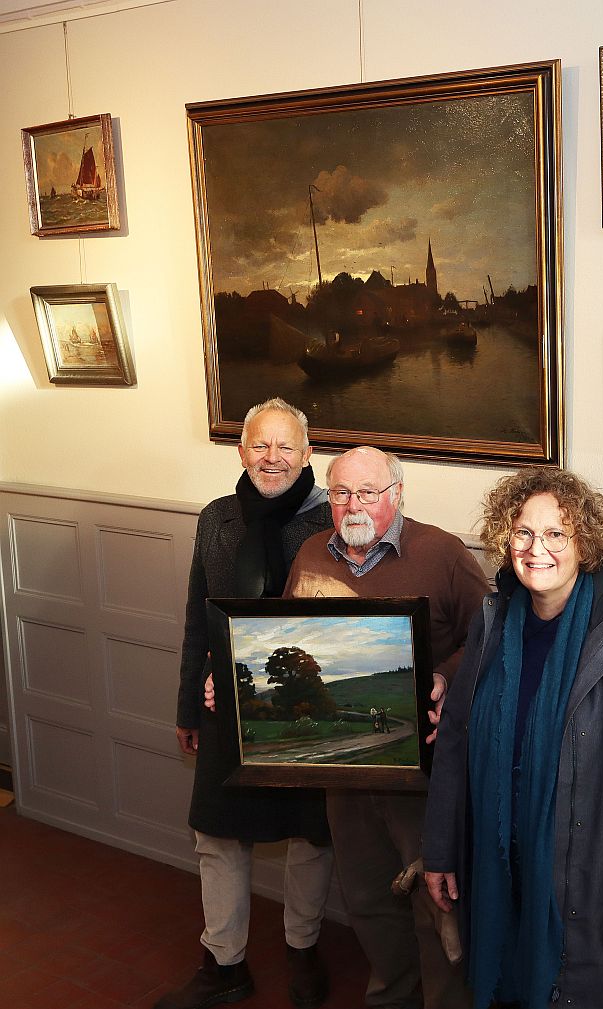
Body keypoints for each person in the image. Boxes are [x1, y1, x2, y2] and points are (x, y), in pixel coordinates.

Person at [422, 467, 603, 1009]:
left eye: (555, 535)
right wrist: (440, 850)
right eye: (522, 533)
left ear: (584, 543)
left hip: (586, 876)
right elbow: (456, 740)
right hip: (499, 863)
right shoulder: (493, 620)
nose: (536, 549)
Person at [283, 446, 490, 1009]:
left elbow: (492, 635)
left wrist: (446, 675)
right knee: (369, 897)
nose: (354, 504)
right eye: (342, 493)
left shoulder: (442, 553)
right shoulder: (309, 554)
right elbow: (285, 636)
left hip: (425, 773)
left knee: (436, 902)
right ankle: (391, 996)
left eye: (368, 493)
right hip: (344, 772)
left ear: (396, 494)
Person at [161, 398, 333, 1009]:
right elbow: (196, 620)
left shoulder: (333, 520)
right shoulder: (215, 519)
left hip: (304, 704)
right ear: (241, 452)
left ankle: (303, 953)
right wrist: (189, 705)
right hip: (222, 707)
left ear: (308, 454)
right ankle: (224, 965)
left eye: (287, 446)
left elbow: (346, 626)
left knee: (311, 836)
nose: (273, 458)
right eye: (261, 445)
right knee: (217, 835)